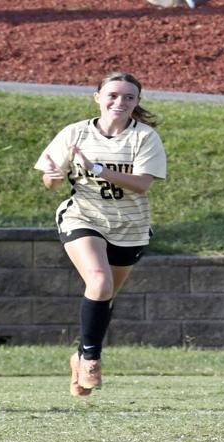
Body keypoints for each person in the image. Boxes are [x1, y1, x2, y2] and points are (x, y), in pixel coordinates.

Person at [35, 72, 167, 397]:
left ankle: (79, 356)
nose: (119, 102)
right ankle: (92, 358)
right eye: (112, 95)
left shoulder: (144, 138)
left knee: (105, 295)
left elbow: (142, 183)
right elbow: (51, 181)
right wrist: (52, 176)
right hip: (84, 216)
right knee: (99, 281)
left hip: (130, 226)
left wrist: (98, 169)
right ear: (98, 96)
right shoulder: (75, 133)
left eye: (128, 97)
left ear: (137, 102)